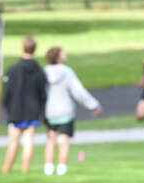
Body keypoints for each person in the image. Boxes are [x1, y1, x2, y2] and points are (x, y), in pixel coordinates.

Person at [42, 47, 102, 175]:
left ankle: (48, 168)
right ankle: (62, 168)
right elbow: (78, 91)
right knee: (63, 139)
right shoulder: (67, 72)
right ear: (59, 57)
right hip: (65, 110)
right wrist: (93, 105)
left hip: (49, 111)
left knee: (51, 139)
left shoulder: (44, 72)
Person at [1, 36, 47, 174]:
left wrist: (7, 107)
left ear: (23, 48)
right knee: (28, 141)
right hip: (33, 109)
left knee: (13, 142)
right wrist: (41, 111)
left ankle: (6, 170)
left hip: (16, 109)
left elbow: (7, 92)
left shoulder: (13, 69)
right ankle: (25, 171)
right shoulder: (39, 70)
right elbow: (42, 93)